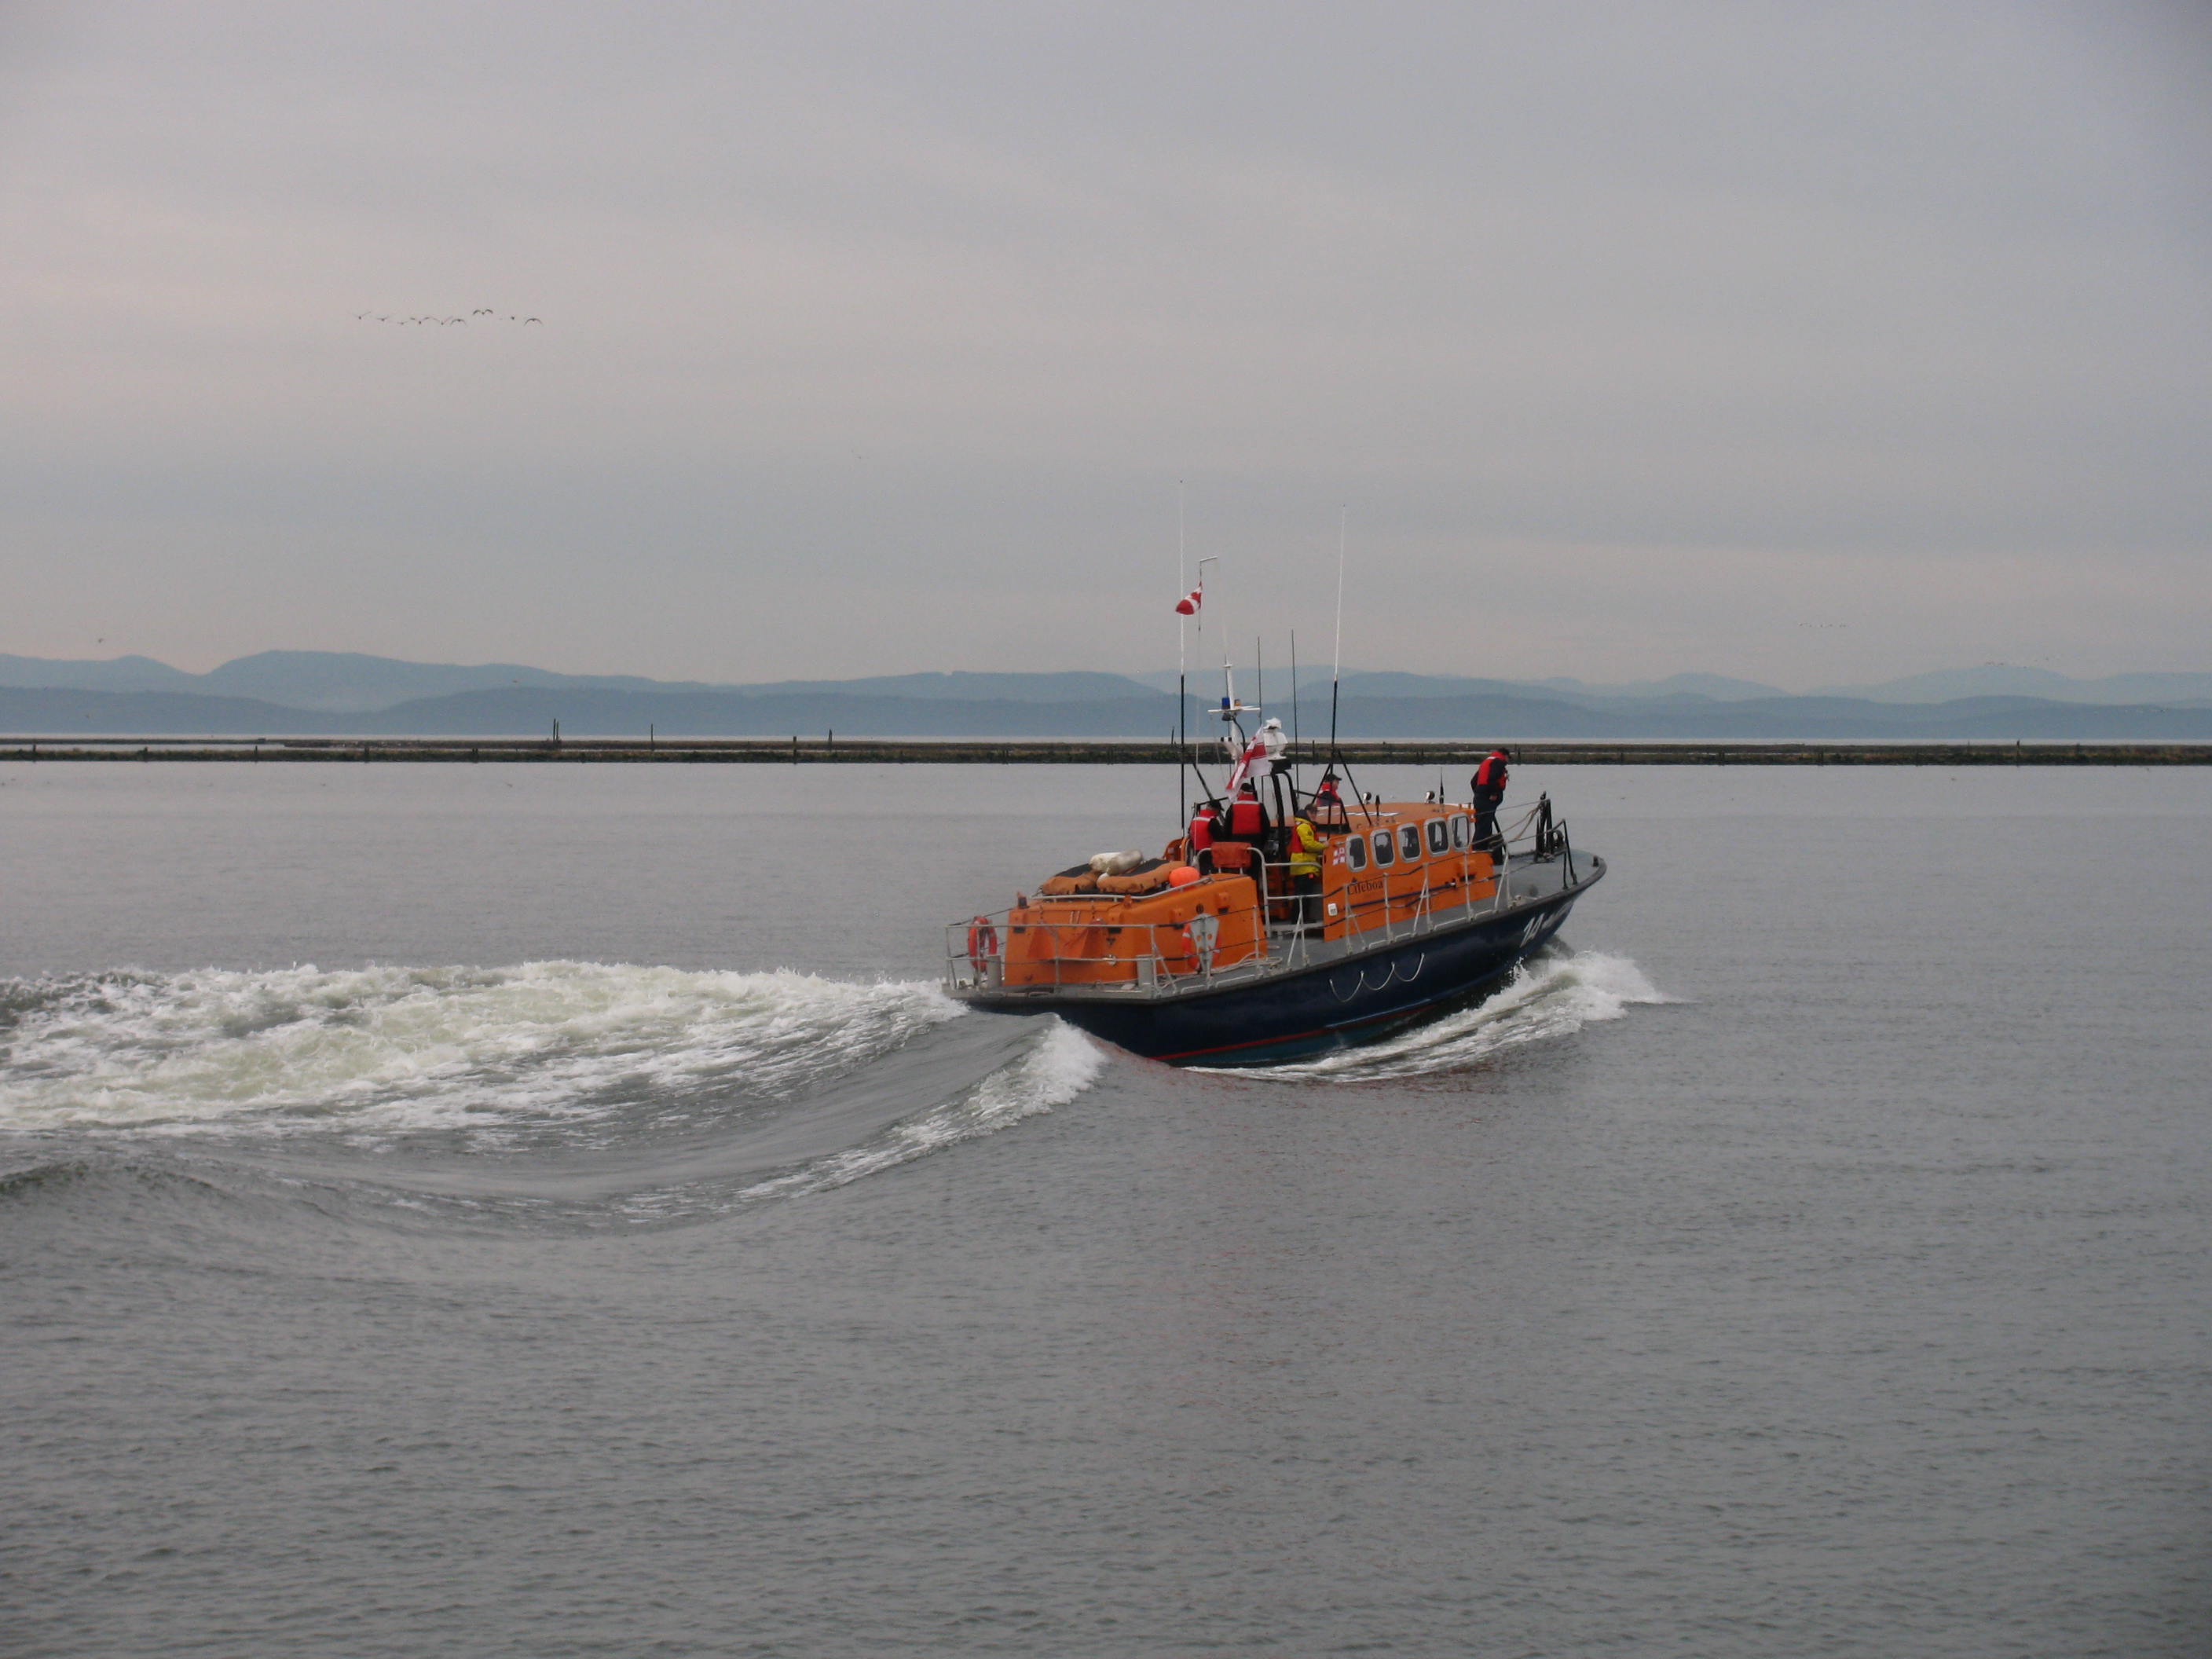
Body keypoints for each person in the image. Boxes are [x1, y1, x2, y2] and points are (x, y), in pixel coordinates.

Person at [1284, 813, 1325, 928]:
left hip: (1301, 864)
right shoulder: (1304, 826)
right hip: (1304, 865)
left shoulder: (1300, 825)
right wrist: (1324, 846)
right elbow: (1309, 845)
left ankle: (1299, 917)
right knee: (1304, 894)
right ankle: (1301, 918)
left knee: (1300, 893)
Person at [1471, 747, 1510, 847]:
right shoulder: (1499, 763)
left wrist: (1478, 793)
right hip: (1487, 798)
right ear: (1505, 756)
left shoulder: (1487, 762)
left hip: (1479, 797)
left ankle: (1478, 848)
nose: (1508, 761)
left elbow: (1473, 781)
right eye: (1508, 758)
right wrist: (1494, 794)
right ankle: (1480, 851)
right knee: (1484, 826)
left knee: (1480, 825)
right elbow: (1492, 778)